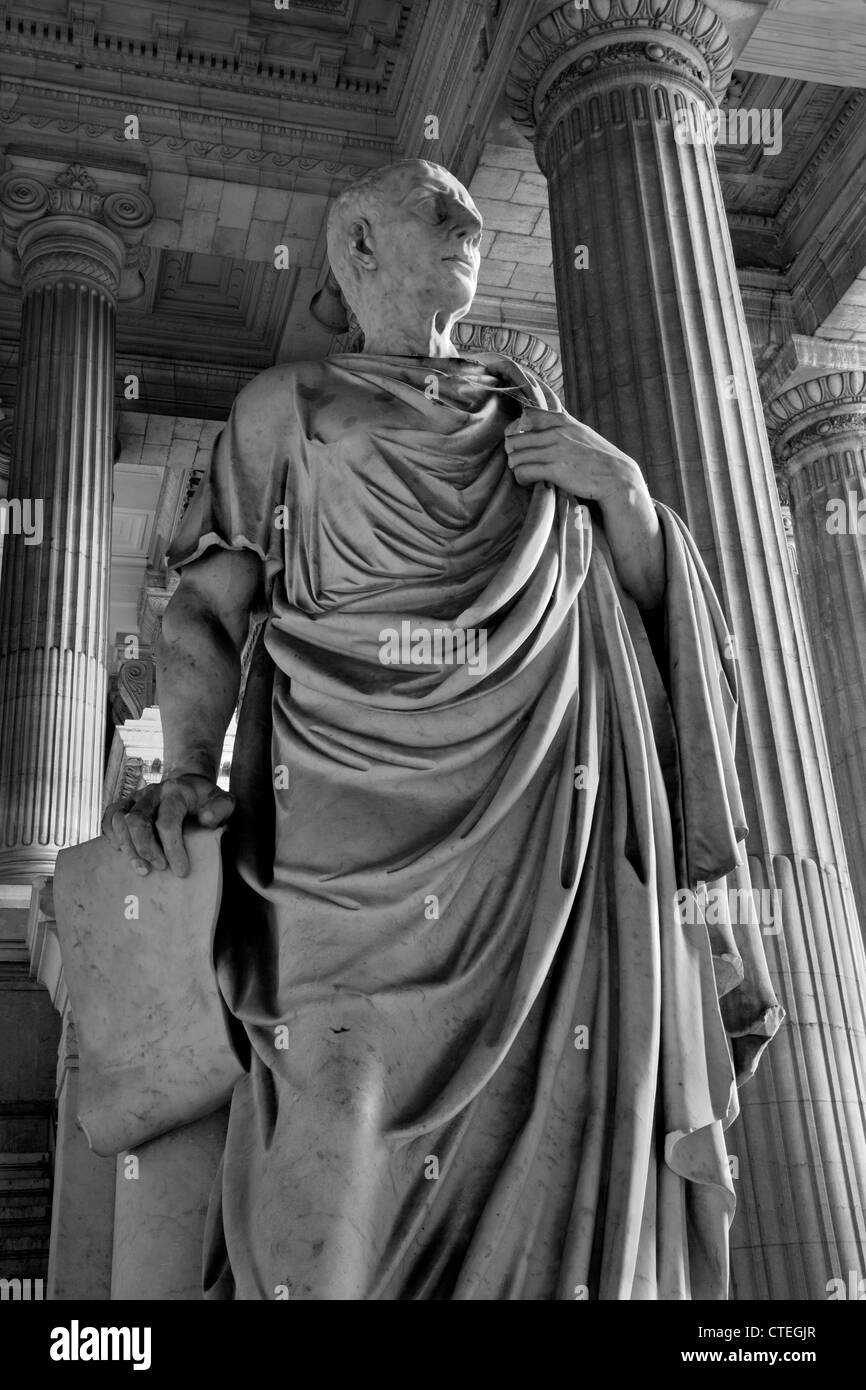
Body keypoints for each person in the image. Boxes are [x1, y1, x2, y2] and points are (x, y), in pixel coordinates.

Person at [102, 159, 782, 1300]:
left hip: (537, 843)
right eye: (435, 205)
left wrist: (622, 499)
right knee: (331, 1125)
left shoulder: (534, 420)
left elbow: (638, 623)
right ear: (355, 247)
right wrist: (182, 765)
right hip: (337, 844)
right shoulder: (287, 409)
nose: (467, 217)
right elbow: (209, 612)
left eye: (469, 204)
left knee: (553, 1123)